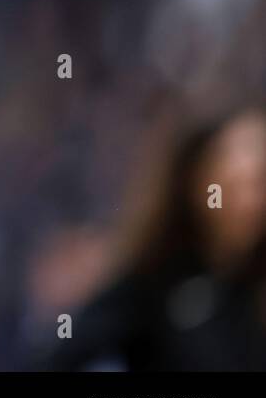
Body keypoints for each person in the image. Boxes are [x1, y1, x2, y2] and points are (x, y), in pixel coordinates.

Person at [45, 105, 266, 370]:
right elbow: (62, 357)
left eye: (260, 185)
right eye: (235, 186)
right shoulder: (155, 282)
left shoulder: (249, 289)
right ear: (197, 184)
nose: (251, 203)